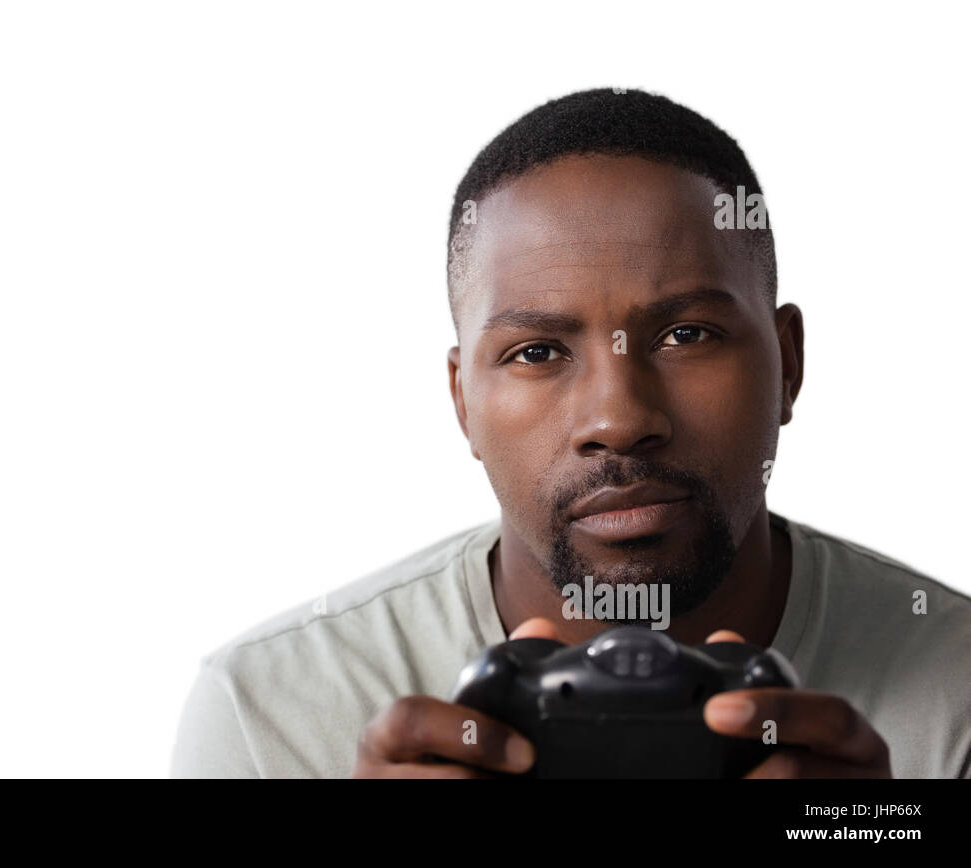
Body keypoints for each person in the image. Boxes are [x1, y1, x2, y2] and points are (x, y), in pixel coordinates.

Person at [169, 88, 971, 778]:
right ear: (462, 402)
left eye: (686, 335)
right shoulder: (270, 715)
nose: (618, 419)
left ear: (788, 363)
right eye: (538, 352)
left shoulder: (957, 689)